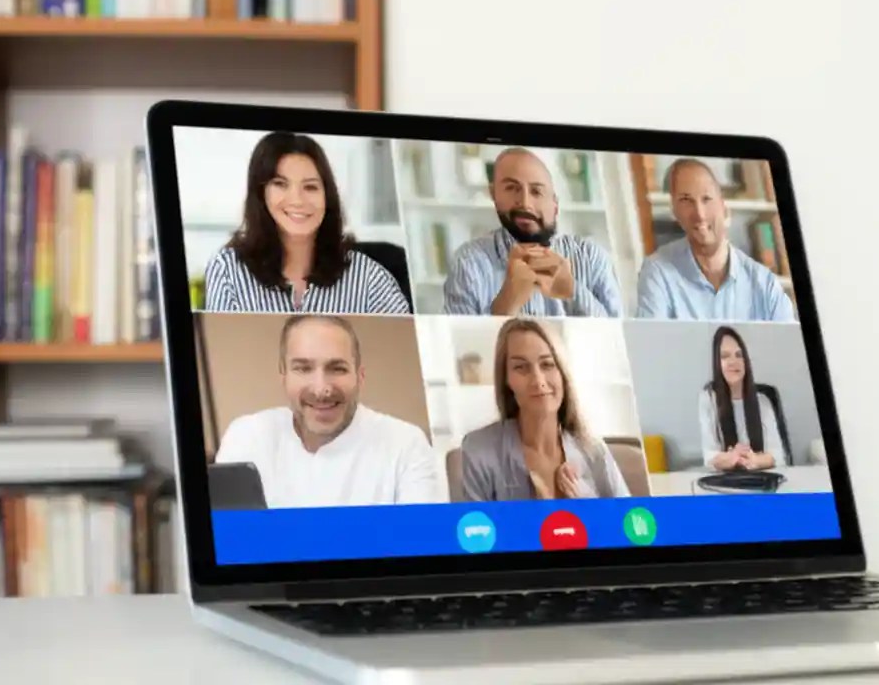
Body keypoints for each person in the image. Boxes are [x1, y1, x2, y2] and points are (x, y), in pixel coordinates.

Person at [214, 314, 439, 508]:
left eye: (337, 368)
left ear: (360, 376)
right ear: (283, 376)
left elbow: (423, 545)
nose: (321, 389)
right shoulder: (245, 436)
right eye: (303, 368)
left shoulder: (407, 444)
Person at [202, 131, 411, 314]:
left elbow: (408, 351)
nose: (298, 200)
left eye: (310, 187)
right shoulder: (228, 269)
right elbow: (217, 355)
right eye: (280, 184)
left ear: (327, 197)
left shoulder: (368, 277)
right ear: (261, 194)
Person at [461, 317, 632, 501]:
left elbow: (629, 524)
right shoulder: (478, 450)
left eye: (547, 364)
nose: (538, 381)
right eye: (521, 367)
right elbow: (470, 527)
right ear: (506, 379)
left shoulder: (595, 451)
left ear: (562, 374)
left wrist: (586, 503)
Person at [442, 147, 623, 317]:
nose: (525, 203)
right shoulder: (468, 262)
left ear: (555, 205)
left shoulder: (592, 257)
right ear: (494, 194)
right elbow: (458, 348)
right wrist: (507, 301)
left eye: (536, 192)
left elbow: (619, 341)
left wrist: (573, 291)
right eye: (512, 188)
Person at [636, 157, 795, 322]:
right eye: (686, 200)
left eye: (706, 199)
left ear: (724, 208)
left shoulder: (765, 284)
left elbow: (789, 346)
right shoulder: (658, 272)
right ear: (674, 212)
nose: (700, 214)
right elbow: (651, 345)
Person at [698, 325, 790, 471]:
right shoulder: (708, 399)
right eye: (725, 356)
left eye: (739, 355)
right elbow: (709, 457)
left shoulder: (763, 401)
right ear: (717, 363)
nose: (733, 361)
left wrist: (756, 460)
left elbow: (779, 455)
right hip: (725, 482)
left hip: (760, 479)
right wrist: (731, 458)